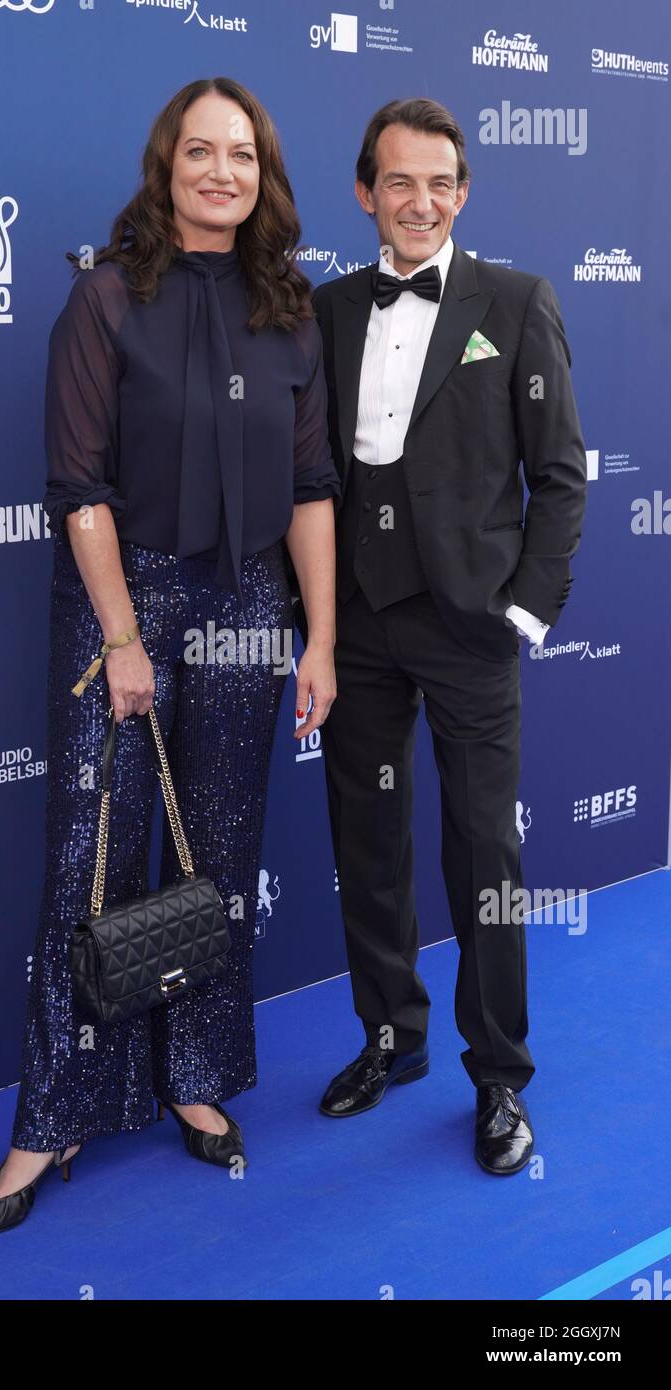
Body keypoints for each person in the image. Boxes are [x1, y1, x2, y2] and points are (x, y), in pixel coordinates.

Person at [0, 76, 340, 1242]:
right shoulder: (106, 297)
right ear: (164, 164)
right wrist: (121, 635)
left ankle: (194, 1076)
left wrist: (318, 634)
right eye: (199, 152)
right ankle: (51, 1119)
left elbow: (314, 486)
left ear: (262, 174)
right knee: (91, 857)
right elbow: (77, 488)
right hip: (123, 601)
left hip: (248, 598)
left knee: (218, 852)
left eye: (243, 156)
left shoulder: (291, 309)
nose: (221, 172)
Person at [299, 97, 587, 1175]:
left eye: (439, 183)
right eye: (396, 181)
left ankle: (499, 1075)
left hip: (469, 628)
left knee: (484, 855)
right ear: (365, 192)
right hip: (359, 627)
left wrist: (523, 607)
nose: (418, 201)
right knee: (367, 849)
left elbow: (559, 473)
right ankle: (389, 1039)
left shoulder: (513, 302)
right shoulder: (327, 310)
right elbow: (310, 477)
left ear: (461, 193)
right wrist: (316, 625)